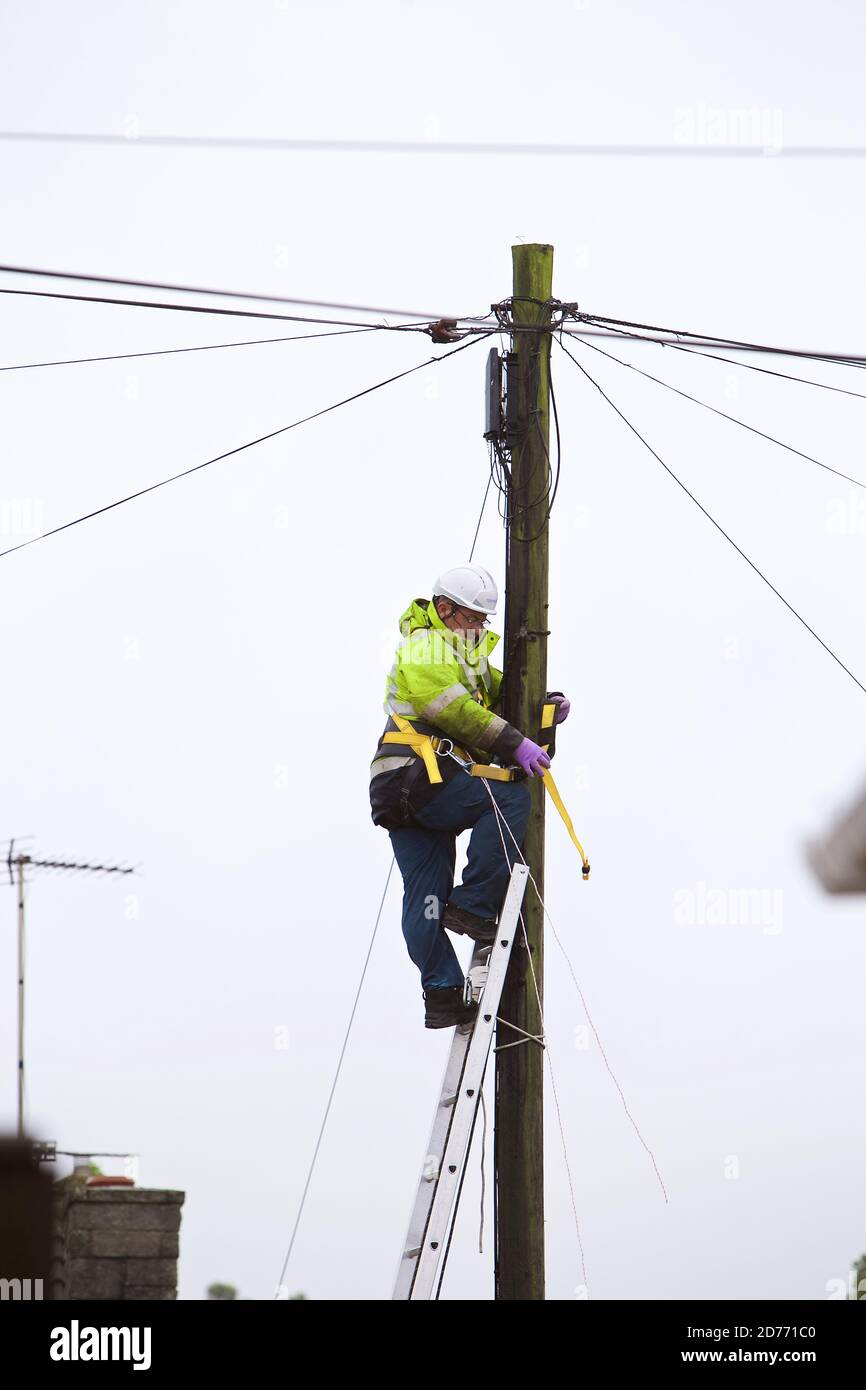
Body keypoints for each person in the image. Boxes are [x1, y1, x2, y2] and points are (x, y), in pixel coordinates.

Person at [369, 564, 571, 1030]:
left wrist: (545, 706)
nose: (478, 627)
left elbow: (506, 696)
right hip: (415, 778)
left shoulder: (464, 656)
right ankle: (477, 904)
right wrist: (513, 744)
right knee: (508, 800)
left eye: (483, 620)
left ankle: (442, 994)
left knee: (426, 901)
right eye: (471, 618)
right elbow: (457, 712)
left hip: (408, 787)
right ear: (444, 609)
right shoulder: (427, 647)